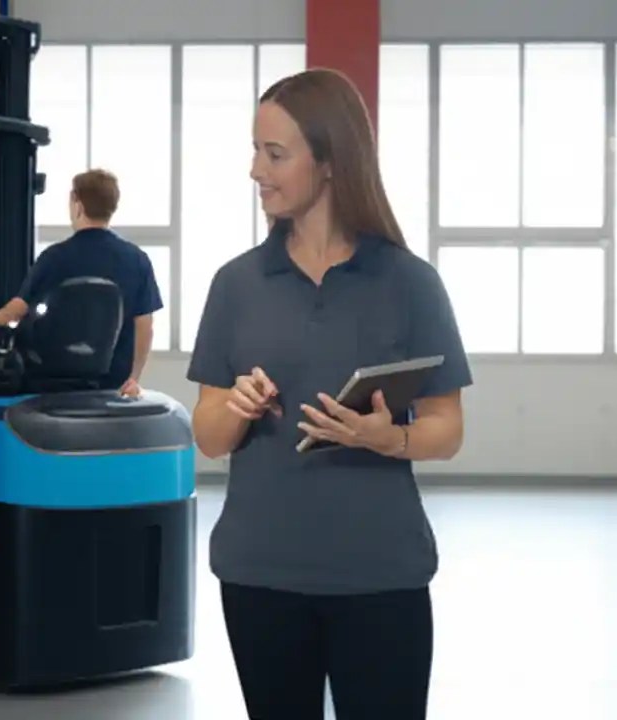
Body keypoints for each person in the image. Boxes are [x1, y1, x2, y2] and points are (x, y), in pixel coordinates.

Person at [187, 68, 472, 719]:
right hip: (259, 576)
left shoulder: (410, 283)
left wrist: (386, 437)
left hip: (381, 576)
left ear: (331, 161)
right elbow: (207, 433)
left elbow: (447, 428)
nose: (255, 169)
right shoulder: (236, 285)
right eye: (256, 149)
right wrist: (233, 407)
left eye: (275, 153)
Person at [0, 169, 162, 396]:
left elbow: (16, 311)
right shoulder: (137, 260)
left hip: (52, 385)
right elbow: (145, 326)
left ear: (77, 204)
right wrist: (133, 378)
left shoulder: (54, 257)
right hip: (111, 384)